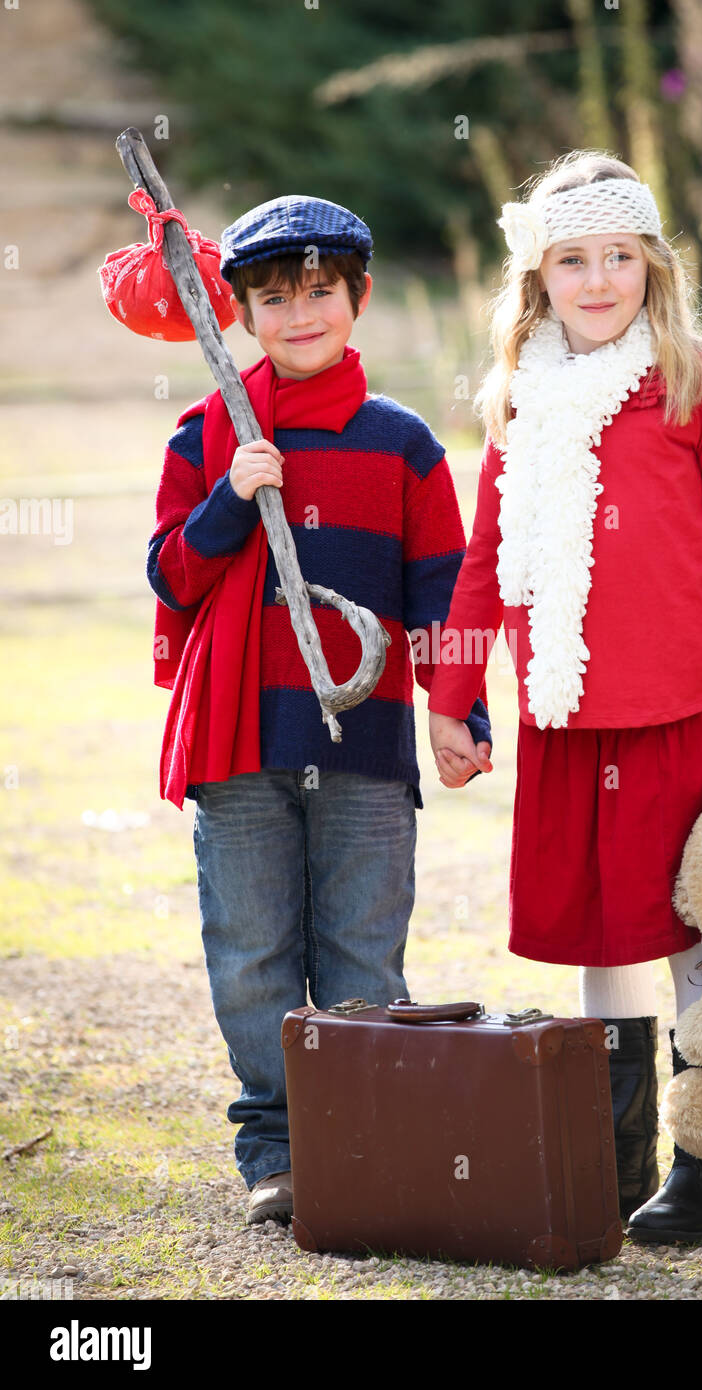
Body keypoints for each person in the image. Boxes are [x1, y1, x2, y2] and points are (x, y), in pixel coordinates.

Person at [427, 151, 702, 1244]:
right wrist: (452, 691)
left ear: (652, 267)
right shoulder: (518, 398)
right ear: (537, 279)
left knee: (692, 935)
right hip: (562, 713)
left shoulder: (695, 383)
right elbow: (484, 558)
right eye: (571, 260)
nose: (596, 280)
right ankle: (617, 1158)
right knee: (601, 932)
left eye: (617, 257)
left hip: (676, 710)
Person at [146, 194, 492, 1225]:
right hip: (239, 738)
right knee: (250, 948)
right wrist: (228, 496)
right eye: (274, 298)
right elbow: (170, 578)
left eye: (321, 292)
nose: (300, 315)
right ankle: (276, 1149)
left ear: (359, 299)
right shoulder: (204, 435)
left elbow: (443, 588)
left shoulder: (402, 443)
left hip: (366, 743)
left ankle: (361, 1139)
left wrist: (456, 710)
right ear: (242, 313)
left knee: (359, 947)